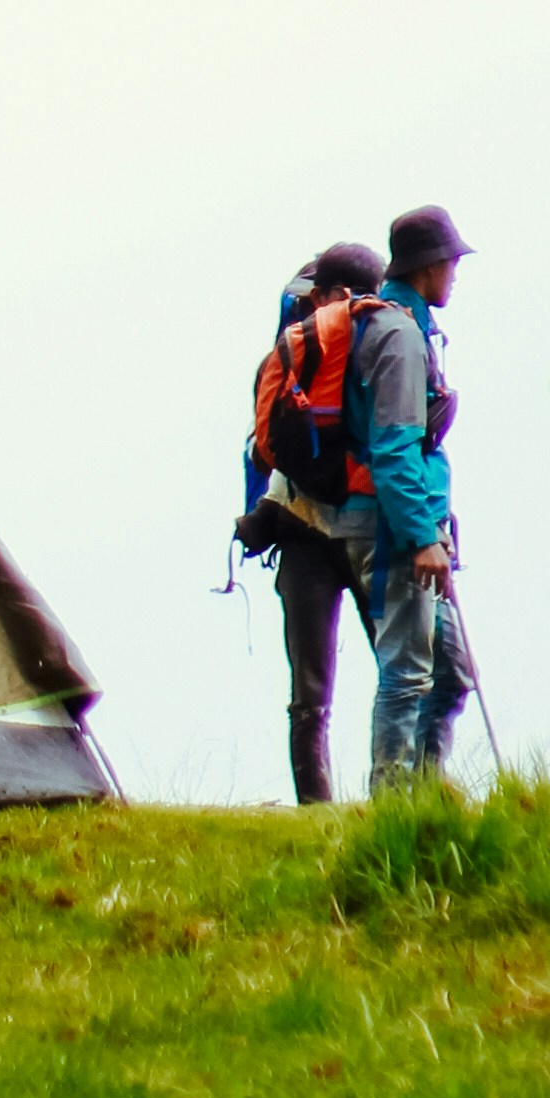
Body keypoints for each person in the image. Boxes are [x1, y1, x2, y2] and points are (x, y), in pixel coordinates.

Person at [239, 239, 386, 805]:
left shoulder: (285, 357)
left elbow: (264, 452)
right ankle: (402, 794)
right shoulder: (385, 343)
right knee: (399, 667)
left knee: (309, 691)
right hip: (375, 526)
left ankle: (315, 810)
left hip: (299, 529)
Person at [341, 208, 477, 786]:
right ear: (432, 265)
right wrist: (424, 537)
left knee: (450, 672)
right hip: (395, 526)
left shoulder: (398, 325)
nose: (455, 274)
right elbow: (395, 448)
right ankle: (392, 804)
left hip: (402, 520)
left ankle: (426, 793)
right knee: (408, 671)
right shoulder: (398, 336)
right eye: (452, 262)